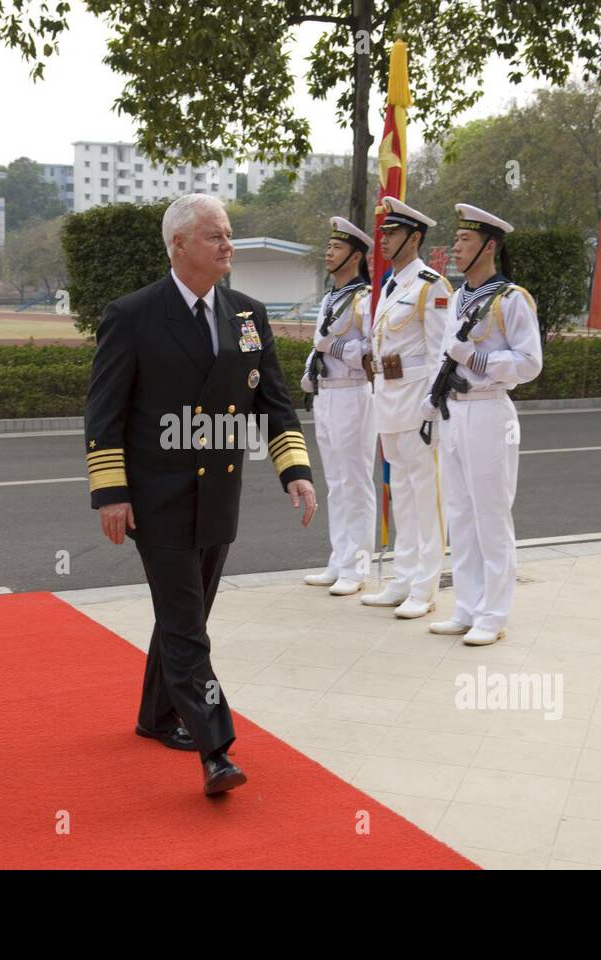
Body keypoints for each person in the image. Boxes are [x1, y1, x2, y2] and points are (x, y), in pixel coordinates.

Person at [85, 193, 317, 795]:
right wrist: (111, 492)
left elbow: (273, 401)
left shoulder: (246, 314)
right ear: (179, 244)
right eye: (215, 236)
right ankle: (216, 748)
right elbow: (103, 413)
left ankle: (155, 716)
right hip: (156, 498)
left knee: (184, 616)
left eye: (229, 235)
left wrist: (294, 471)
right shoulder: (132, 315)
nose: (227, 245)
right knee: (188, 627)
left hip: (219, 496)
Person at [425, 204, 542, 647]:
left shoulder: (511, 299)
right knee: (460, 513)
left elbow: (530, 363)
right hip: (455, 409)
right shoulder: (458, 298)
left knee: (491, 514)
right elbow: (442, 354)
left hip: (491, 409)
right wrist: (429, 404)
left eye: (465, 241)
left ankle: (494, 612)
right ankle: (468, 606)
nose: (456, 248)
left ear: (489, 246)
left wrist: (476, 359)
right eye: (455, 240)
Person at [358, 197, 452, 620]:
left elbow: (439, 354)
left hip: (416, 400)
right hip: (389, 399)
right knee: (401, 494)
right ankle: (403, 577)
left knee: (425, 494)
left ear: (414, 238)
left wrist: (433, 406)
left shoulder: (431, 286)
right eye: (382, 233)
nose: (383, 240)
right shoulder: (393, 285)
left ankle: (425, 585)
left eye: (392, 234)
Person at [300, 216, 377, 597]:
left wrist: (332, 348)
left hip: (353, 392)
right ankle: (339, 559)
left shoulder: (365, 298)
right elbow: (320, 343)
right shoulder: (332, 297)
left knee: (356, 482)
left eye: (337, 247)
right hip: (327, 393)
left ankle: (359, 566)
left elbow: (371, 352)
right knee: (335, 483)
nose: (329, 252)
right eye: (328, 246)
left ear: (356, 255)